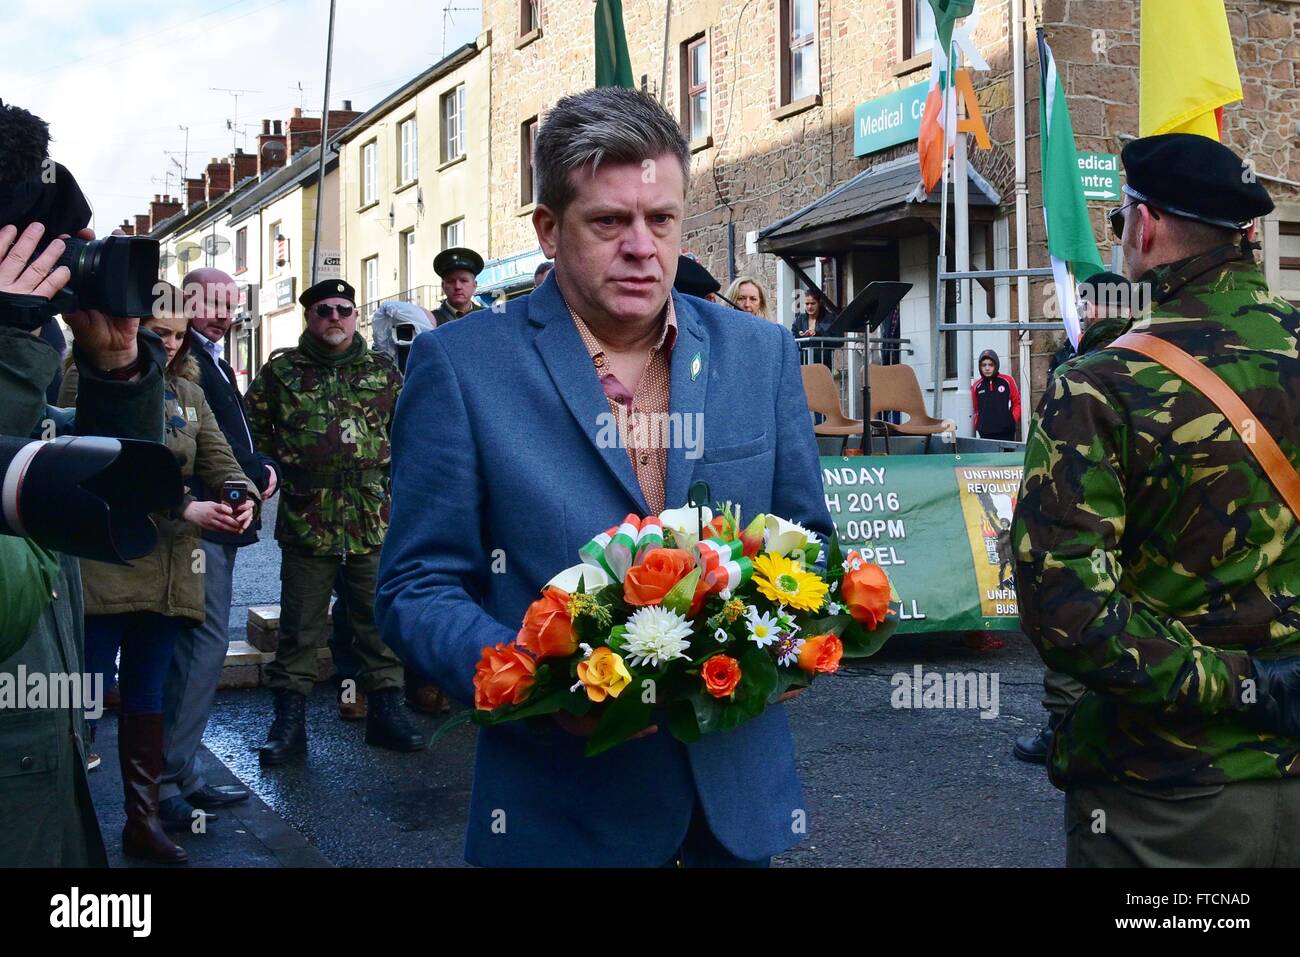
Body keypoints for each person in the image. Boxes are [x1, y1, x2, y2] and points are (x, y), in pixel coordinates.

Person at [376, 86, 832, 868]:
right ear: (549, 230)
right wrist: (540, 679)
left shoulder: (761, 354)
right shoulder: (462, 367)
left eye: (661, 219)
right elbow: (415, 587)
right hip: (561, 820)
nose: (642, 247)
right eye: (609, 221)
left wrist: (791, 643)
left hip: (735, 813)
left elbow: (809, 542)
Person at [1013, 133, 1300, 867]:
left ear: (1144, 227)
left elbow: (1070, 612)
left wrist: (1246, 687)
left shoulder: (1101, 382)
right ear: (1247, 236)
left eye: (1120, 224)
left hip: (1167, 797)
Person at [0, 218, 173, 867]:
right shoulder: (14, 357)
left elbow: (114, 491)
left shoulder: (25, 368)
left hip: (47, 761)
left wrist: (115, 366)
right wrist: (11, 347)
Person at [246, 278, 424, 764]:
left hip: (370, 515)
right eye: (324, 309)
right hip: (308, 515)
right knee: (300, 627)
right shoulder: (282, 372)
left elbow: (407, 435)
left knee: (375, 620)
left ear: (354, 316)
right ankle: (288, 726)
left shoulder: (383, 372)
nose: (335, 317)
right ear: (309, 316)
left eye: (344, 309)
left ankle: (385, 713)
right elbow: (254, 438)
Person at [155, 268, 279, 826]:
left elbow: (225, 443)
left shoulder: (203, 360)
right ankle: (165, 782)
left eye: (232, 304)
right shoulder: (180, 361)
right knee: (195, 651)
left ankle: (177, 776)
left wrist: (251, 479)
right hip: (188, 530)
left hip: (214, 520)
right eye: (211, 303)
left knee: (194, 653)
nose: (224, 314)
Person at [1017, 270, 1131, 764]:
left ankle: (1066, 728)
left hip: (1081, 507)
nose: (1082, 312)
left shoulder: (1088, 363)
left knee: (1070, 602)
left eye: (1090, 304)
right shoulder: (1161, 351)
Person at [969, 349, 1020, 441]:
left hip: (1006, 432)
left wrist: (1011, 420)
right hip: (985, 433)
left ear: (996, 365)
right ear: (980, 367)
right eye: (984, 365)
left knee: (1006, 455)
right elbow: (975, 409)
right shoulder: (977, 386)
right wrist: (978, 425)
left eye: (990, 365)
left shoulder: (1007, 380)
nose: (987, 368)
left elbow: (1017, 403)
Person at [432, 247, 484, 325]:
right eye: (451, 281)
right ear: (443, 286)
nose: (457, 287)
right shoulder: (430, 321)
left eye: (464, 281)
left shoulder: (486, 317)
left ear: (474, 285)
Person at [791, 290, 833, 368]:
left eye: (813, 303)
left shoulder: (828, 318)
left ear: (819, 303)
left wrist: (818, 334)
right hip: (803, 363)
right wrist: (800, 336)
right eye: (807, 304)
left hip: (822, 363)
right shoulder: (800, 319)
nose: (809, 307)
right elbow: (793, 337)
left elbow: (838, 341)